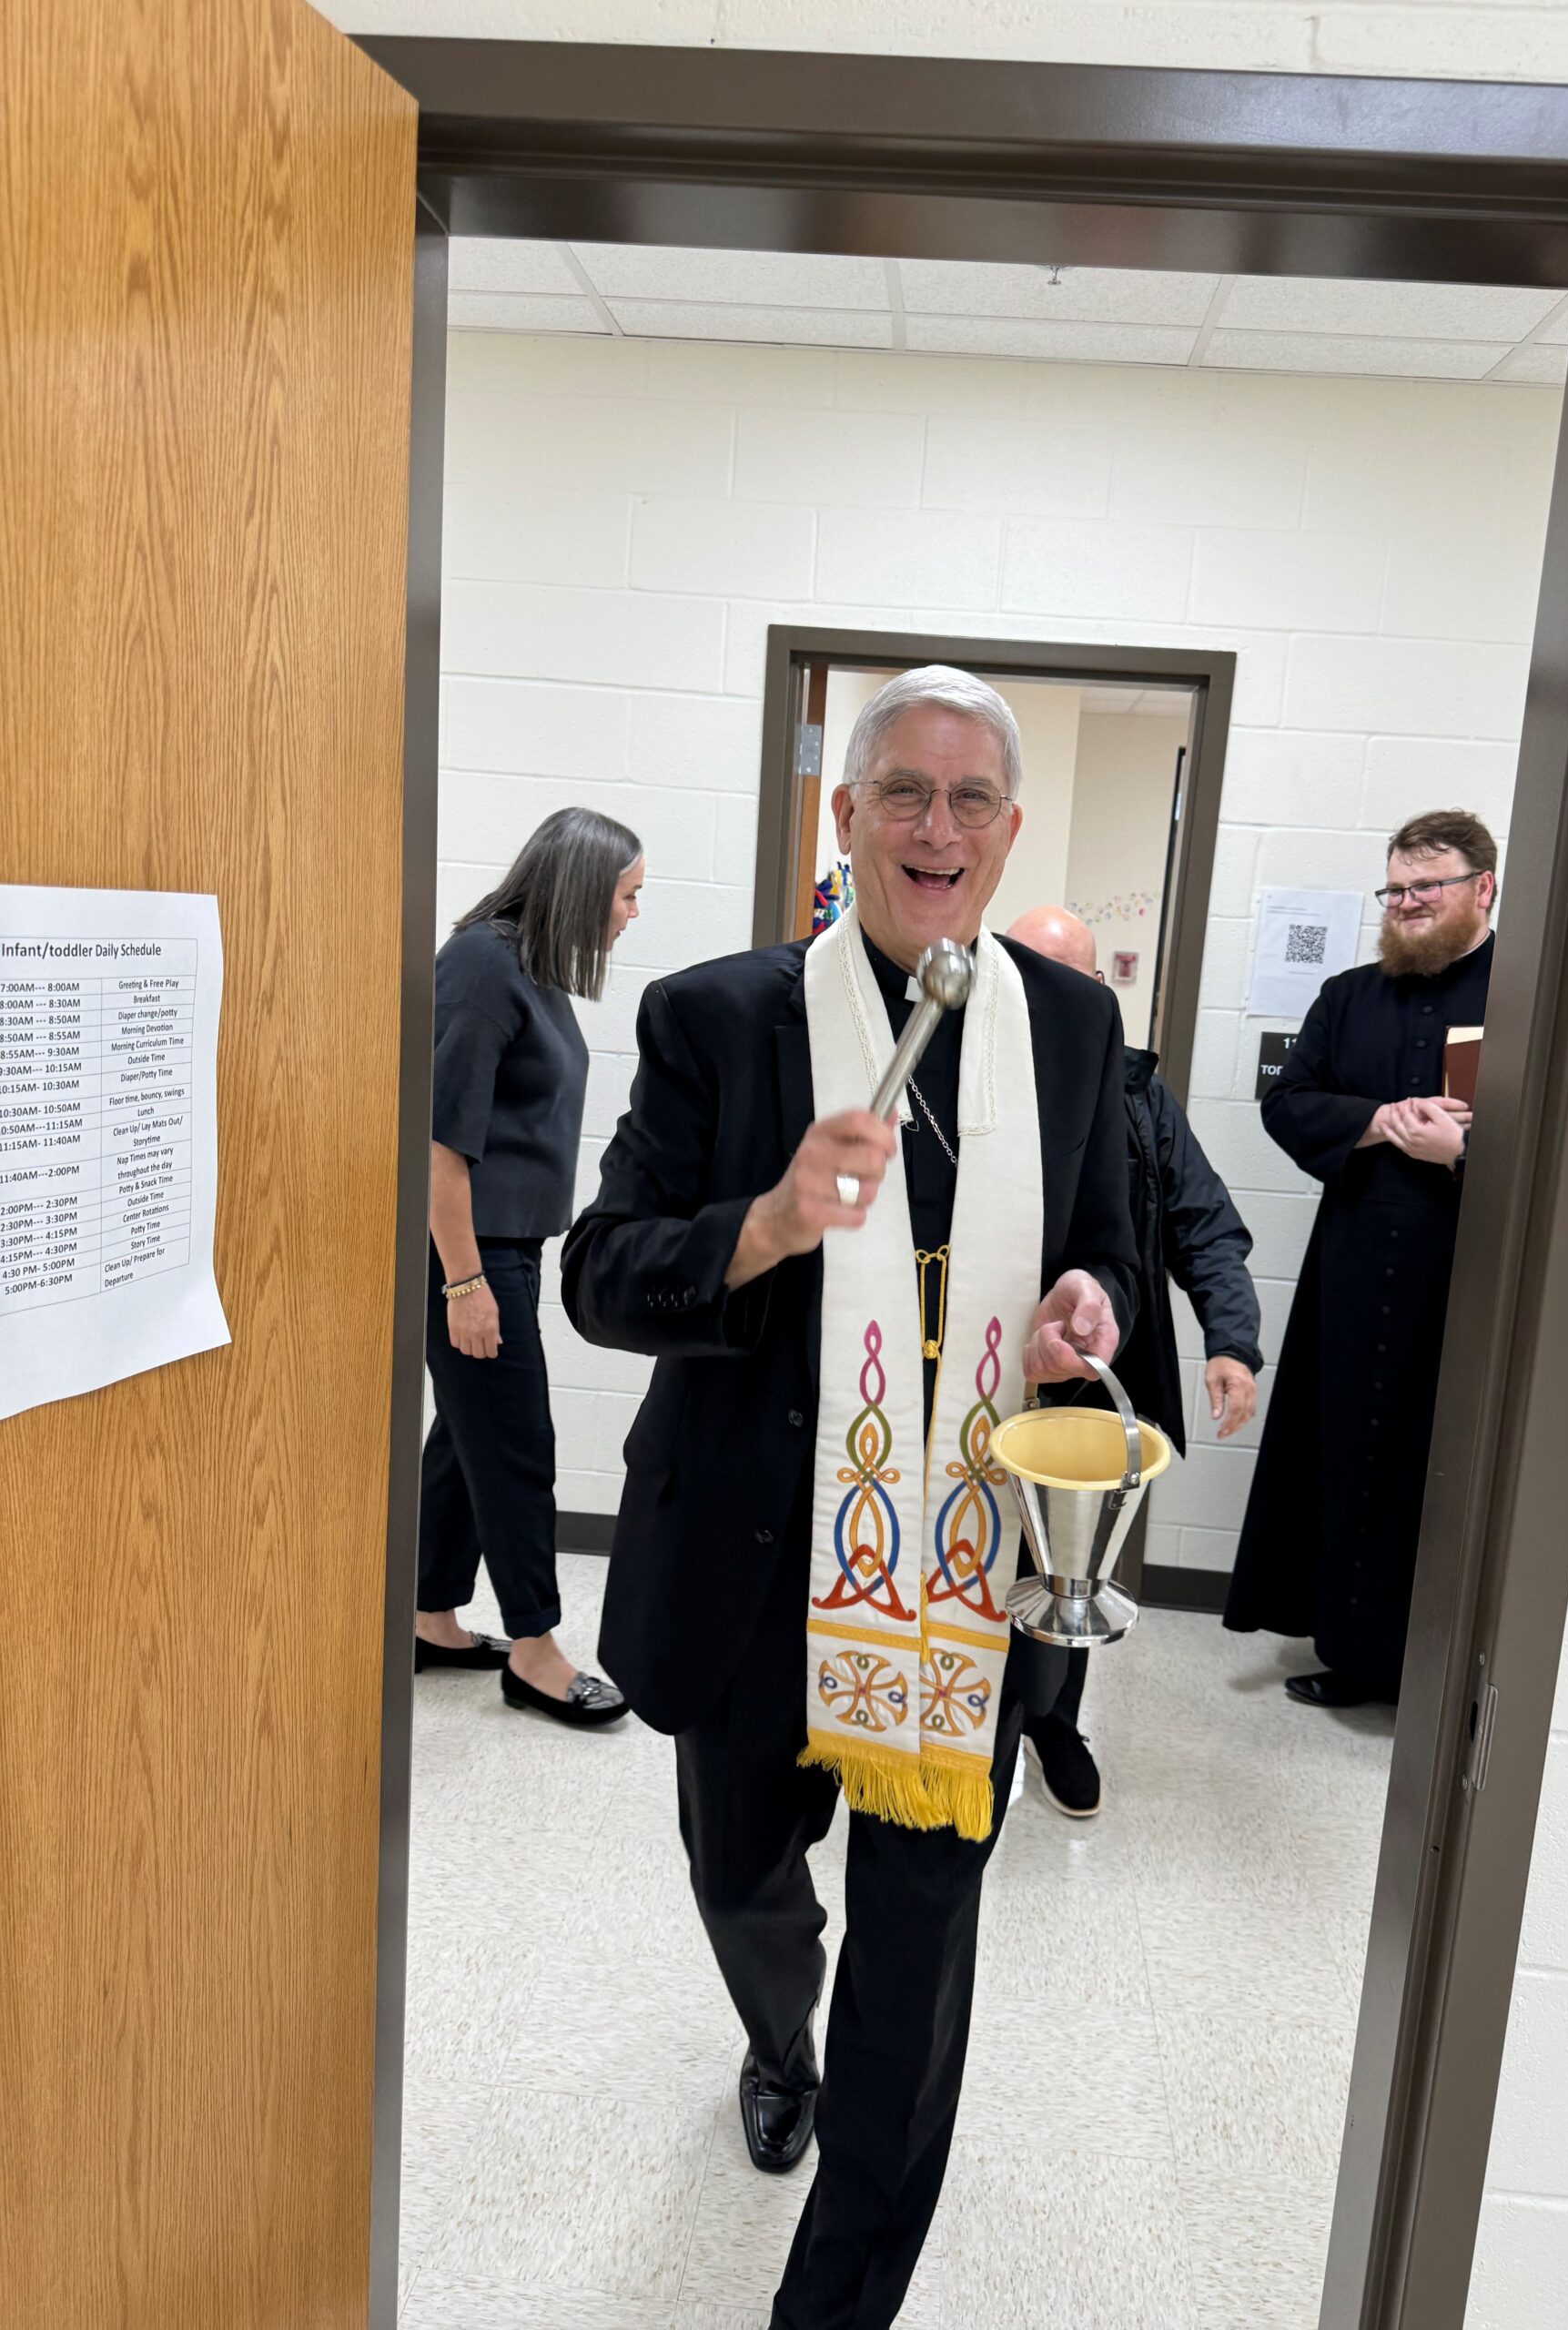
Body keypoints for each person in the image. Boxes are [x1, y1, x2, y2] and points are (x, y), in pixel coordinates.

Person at [562, 666, 1138, 2330]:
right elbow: (599, 1277)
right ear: (846, 815)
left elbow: (1107, 1241)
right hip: (749, 1591)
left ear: (1011, 828)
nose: (938, 828)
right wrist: (761, 1226)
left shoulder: (1078, 1026)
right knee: (747, 1887)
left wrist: (1087, 1304)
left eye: (972, 801)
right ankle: (769, 2033)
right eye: (906, 792)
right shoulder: (713, 1017)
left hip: (963, 1594)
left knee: (917, 2000)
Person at [1224, 810, 1498, 1709]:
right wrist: (1380, 1122)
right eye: (1397, 889)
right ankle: (1348, 1651)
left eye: (1430, 886)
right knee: (1341, 1448)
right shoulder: (1347, 996)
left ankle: (1427, 1672)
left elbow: (1561, 1146)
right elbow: (1288, 1100)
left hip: (1462, 1278)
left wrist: (1456, 1155)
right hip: (1351, 1268)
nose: (1409, 903)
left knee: (1435, 1464)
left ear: (1482, 890)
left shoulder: (1525, 998)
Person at [1004, 905, 1262, 1816]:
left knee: (1071, 1571)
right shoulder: (955, 1078)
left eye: (1077, 982)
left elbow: (1205, 1226)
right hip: (973, 1382)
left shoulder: (1139, 1095)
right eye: (1033, 975)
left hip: (1092, 1387)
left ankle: (1052, 1724)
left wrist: (1232, 1341)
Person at [415, 807, 644, 1729]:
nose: (630, 914)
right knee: (517, 1451)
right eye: (626, 895)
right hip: (469, 1254)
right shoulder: (481, 964)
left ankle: (429, 1619)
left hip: (506, 1248)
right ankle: (538, 1653)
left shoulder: (530, 971)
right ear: (583, 887)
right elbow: (439, 1144)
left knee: (468, 1444)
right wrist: (465, 1282)